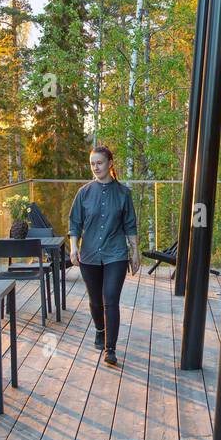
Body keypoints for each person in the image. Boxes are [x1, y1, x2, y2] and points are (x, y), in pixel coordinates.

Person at [68, 145, 137, 366]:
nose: (95, 167)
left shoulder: (124, 193)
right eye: (92, 164)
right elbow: (74, 223)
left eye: (99, 163)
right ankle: (100, 329)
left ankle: (110, 349)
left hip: (116, 254)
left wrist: (135, 252)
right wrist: (73, 246)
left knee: (110, 300)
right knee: (96, 302)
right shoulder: (84, 193)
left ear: (110, 164)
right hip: (89, 255)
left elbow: (130, 225)